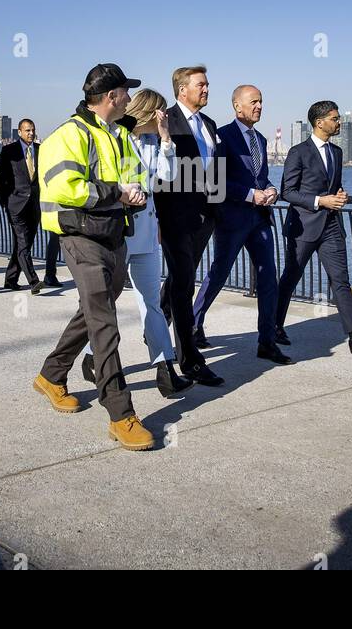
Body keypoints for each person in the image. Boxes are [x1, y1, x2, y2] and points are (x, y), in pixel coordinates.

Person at [34, 63, 156, 451]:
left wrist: (134, 192)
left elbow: (134, 177)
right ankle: (121, 413)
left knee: (94, 309)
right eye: (126, 92)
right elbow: (65, 187)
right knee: (105, 321)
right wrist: (117, 193)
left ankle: (51, 374)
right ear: (110, 97)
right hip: (79, 235)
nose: (130, 98)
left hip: (112, 235)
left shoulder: (120, 134)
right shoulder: (68, 135)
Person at [80, 89, 194, 398]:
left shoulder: (152, 141)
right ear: (148, 111)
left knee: (152, 304)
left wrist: (166, 138)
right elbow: (133, 183)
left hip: (146, 236)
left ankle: (165, 369)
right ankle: (94, 356)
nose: (164, 116)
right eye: (161, 112)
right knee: (108, 301)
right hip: (121, 232)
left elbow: (165, 178)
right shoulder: (118, 137)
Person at [276, 101, 352, 354]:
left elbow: (332, 187)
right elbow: (287, 192)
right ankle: (274, 326)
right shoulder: (298, 152)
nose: (339, 123)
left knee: (340, 280)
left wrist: (339, 197)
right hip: (303, 228)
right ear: (320, 122)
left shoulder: (336, 152)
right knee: (290, 279)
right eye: (335, 119)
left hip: (331, 227)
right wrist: (320, 201)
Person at [190, 85, 291, 364]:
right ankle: (193, 325)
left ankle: (266, 341)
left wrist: (271, 190)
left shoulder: (260, 138)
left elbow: (262, 177)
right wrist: (250, 195)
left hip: (260, 219)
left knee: (268, 277)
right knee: (219, 272)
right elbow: (217, 181)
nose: (259, 106)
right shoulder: (222, 136)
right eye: (254, 102)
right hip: (232, 218)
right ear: (238, 106)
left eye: (261, 101)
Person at [153, 64, 224, 387]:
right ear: (183, 90)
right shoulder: (164, 120)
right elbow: (156, 171)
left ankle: (154, 328)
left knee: (180, 282)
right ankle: (191, 361)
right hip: (176, 217)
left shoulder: (209, 124)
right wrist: (156, 218)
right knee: (184, 286)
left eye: (207, 84)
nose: (207, 88)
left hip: (204, 217)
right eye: (201, 84)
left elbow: (214, 169)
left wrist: (216, 210)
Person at [0, 118, 46, 294]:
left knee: (23, 244)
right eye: (27, 130)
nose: (31, 133)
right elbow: (1, 178)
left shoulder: (41, 150)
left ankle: (10, 279)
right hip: (15, 205)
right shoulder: (9, 151)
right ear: (19, 132)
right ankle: (33, 281)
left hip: (34, 206)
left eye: (32, 130)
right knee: (23, 243)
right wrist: (5, 202)